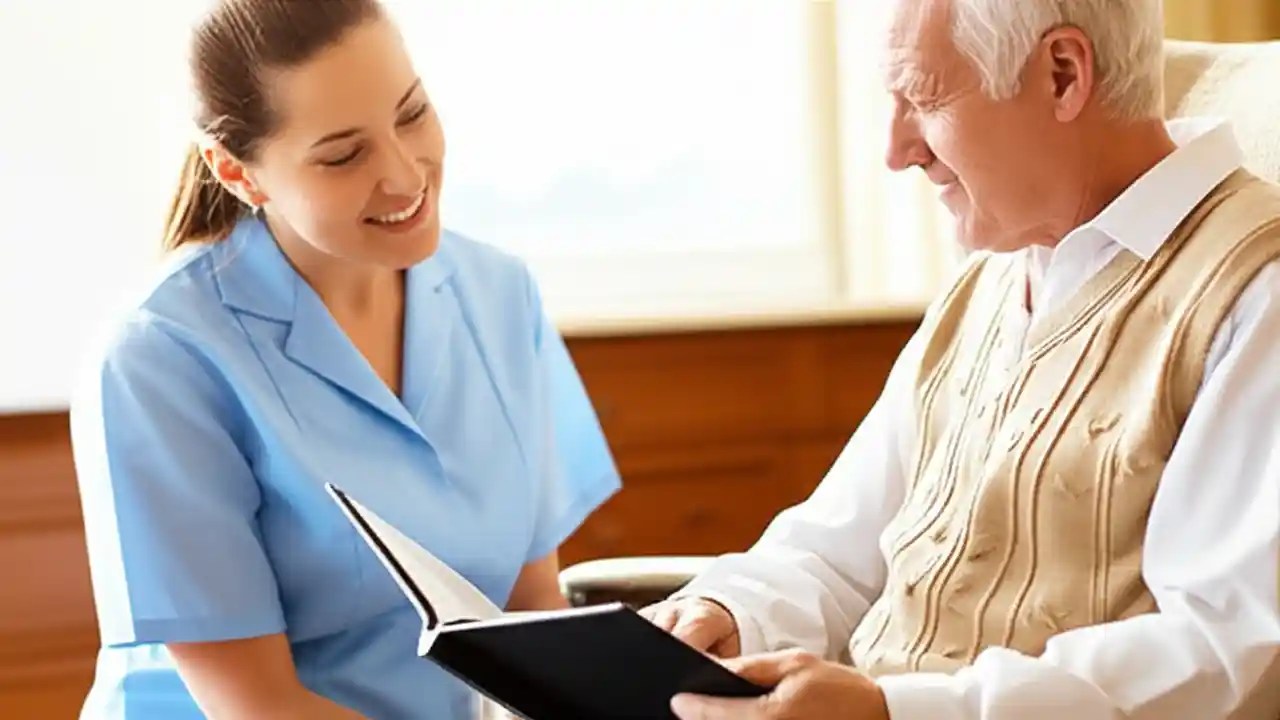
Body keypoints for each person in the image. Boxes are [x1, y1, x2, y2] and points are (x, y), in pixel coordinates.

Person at [643, 0, 1280, 718]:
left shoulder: (1258, 291)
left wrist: (893, 711)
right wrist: (732, 611)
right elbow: (836, 548)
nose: (896, 149)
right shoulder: (991, 276)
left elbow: (1222, 646)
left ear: (1063, 74)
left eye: (923, 97)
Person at [68, 1, 620, 718]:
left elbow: (530, 610)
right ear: (238, 173)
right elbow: (258, 706)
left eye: (412, 113)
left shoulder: (499, 294)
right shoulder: (158, 358)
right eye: (343, 155)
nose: (403, 174)